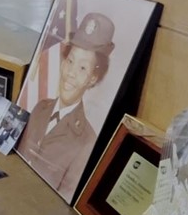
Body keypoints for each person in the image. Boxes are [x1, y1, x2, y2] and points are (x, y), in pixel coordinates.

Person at [16, 12, 115, 199]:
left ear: (93, 78)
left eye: (83, 68)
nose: (70, 73)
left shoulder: (86, 142)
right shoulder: (40, 109)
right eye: (70, 61)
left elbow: (64, 202)